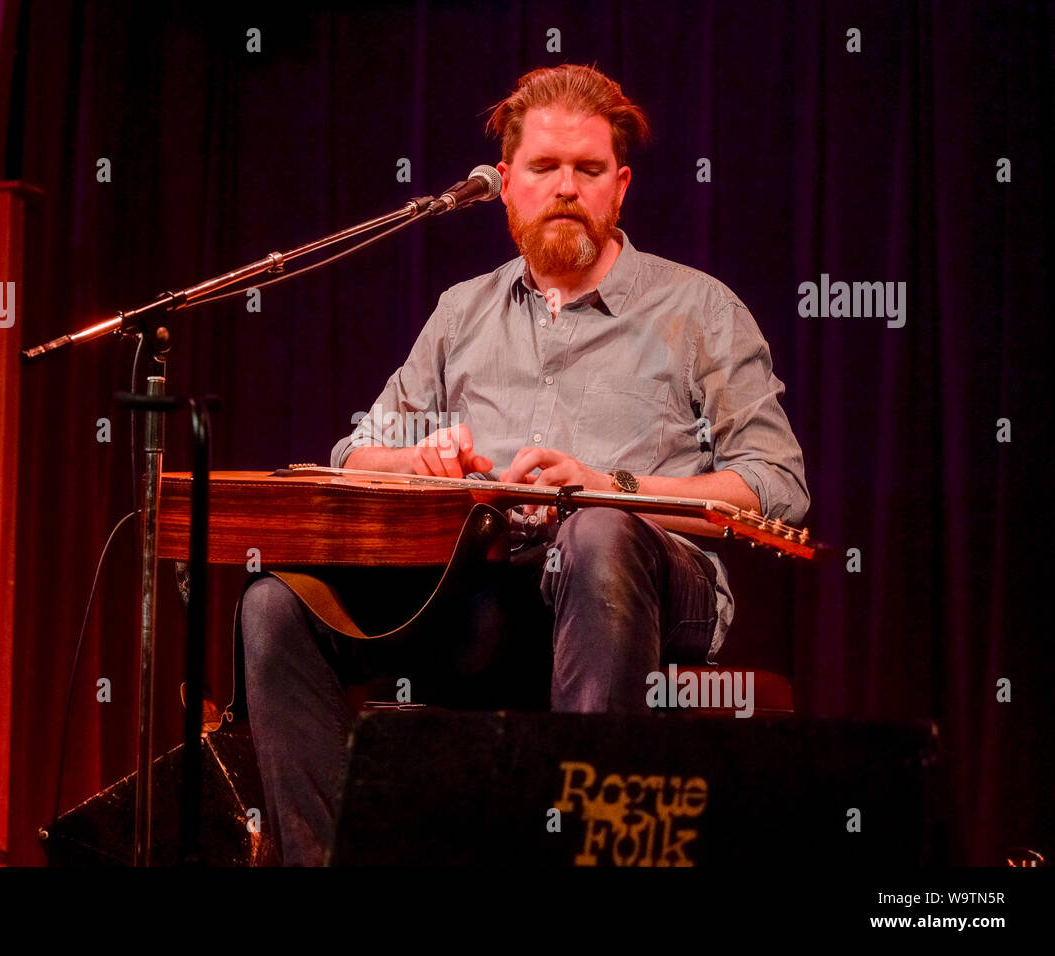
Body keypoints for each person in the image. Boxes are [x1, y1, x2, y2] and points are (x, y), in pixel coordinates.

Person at [240, 63, 809, 865]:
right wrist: (420, 461)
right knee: (277, 605)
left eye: (588, 170)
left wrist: (610, 488)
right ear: (505, 185)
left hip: (640, 590)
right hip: (485, 597)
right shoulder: (461, 312)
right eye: (545, 169)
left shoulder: (698, 310)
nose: (567, 187)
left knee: (600, 535)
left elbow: (776, 487)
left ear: (622, 186)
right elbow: (353, 454)